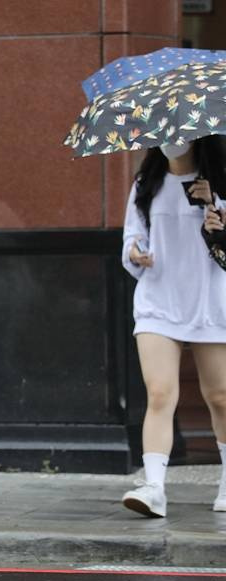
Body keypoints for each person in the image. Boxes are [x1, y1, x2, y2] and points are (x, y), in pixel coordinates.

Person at [120, 136, 226, 518]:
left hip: (210, 301)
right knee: (160, 393)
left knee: (220, 397)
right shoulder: (145, 184)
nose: (172, 143)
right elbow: (133, 236)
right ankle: (154, 487)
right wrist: (135, 251)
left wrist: (217, 214)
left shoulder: (219, 182)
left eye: (181, 137)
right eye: (165, 137)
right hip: (158, 301)